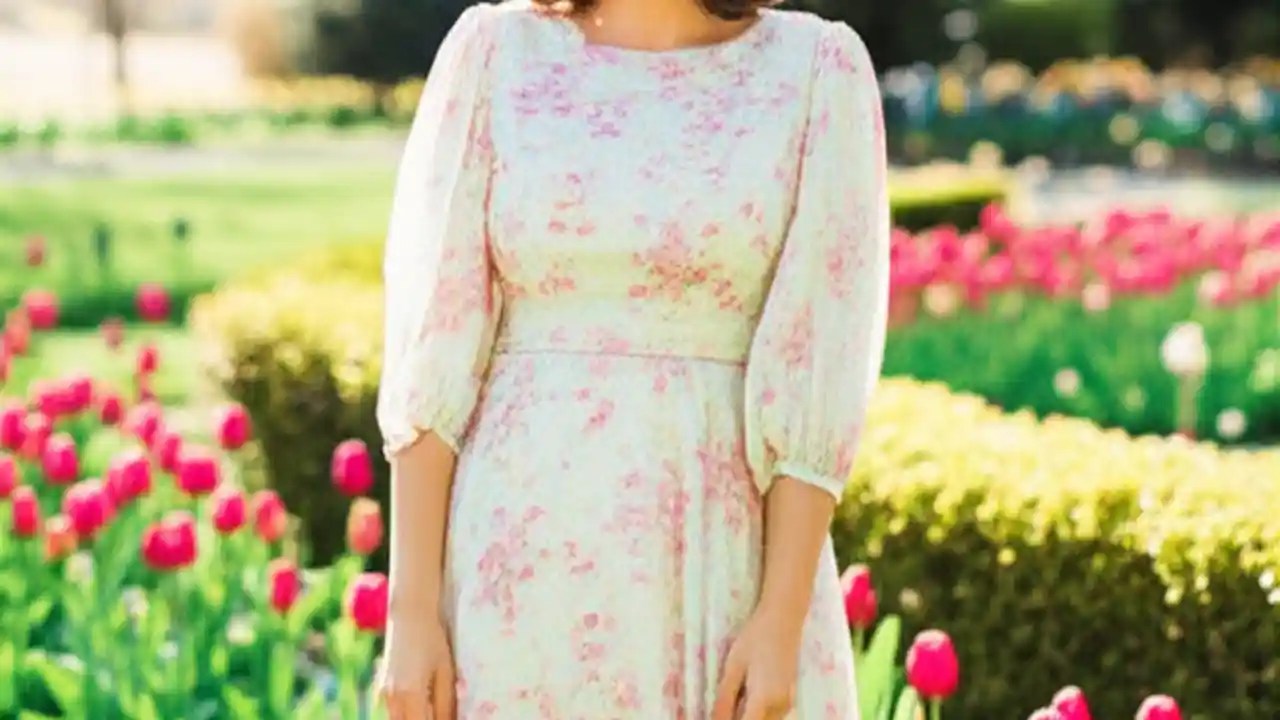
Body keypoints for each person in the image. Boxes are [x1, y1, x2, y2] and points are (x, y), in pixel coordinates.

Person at [374, 0, 889, 716]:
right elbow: (436, 344)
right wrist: (412, 612)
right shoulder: (495, 52)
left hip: (716, 571)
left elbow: (820, 359)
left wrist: (781, 619)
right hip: (512, 574)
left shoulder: (815, 70)